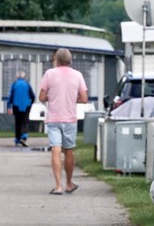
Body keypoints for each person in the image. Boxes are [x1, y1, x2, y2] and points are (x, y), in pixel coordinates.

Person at [38, 48, 91, 195]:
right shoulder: (77, 75)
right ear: (70, 60)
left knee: (55, 149)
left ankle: (58, 186)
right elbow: (85, 98)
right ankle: (68, 183)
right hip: (70, 119)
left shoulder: (49, 74)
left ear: (57, 60)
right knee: (69, 151)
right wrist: (73, 99)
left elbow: (41, 97)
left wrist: (52, 97)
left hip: (53, 118)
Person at [7, 72, 35, 147]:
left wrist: (9, 107)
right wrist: (31, 102)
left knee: (18, 122)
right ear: (24, 77)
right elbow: (33, 95)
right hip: (26, 105)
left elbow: (10, 96)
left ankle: (17, 138)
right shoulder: (27, 84)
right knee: (25, 121)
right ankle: (24, 136)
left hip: (16, 105)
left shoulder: (15, 84)